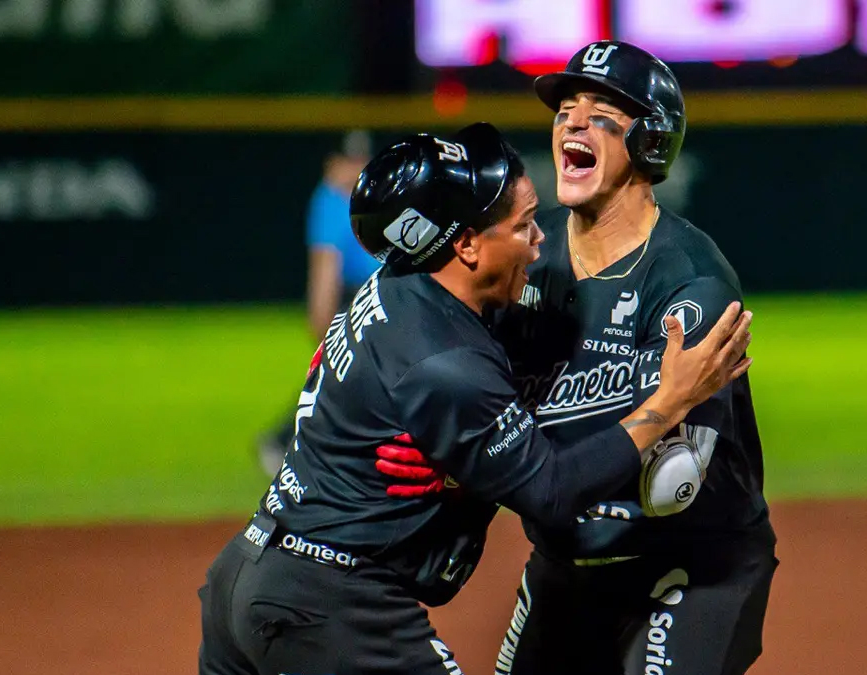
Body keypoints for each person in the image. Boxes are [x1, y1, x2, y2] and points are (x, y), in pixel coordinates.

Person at [197, 122, 757, 675]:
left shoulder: (401, 279)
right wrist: (669, 401)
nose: (540, 243)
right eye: (523, 227)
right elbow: (552, 488)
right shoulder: (447, 364)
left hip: (248, 575)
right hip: (328, 605)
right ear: (465, 245)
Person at [379, 41, 778, 674]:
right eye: (565, 108)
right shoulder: (524, 267)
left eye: (600, 110)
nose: (573, 119)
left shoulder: (689, 281)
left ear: (649, 140)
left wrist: (505, 459)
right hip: (570, 564)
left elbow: (670, 479)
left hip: (692, 563)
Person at [258, 130, 382, 477]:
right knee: (344, 377)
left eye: (362, 161)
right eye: (350, 161)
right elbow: (324, 268)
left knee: (350, 379)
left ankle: (290, 441)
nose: (357, 168)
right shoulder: (330, 201)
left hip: (373, 294)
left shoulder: (364, 196)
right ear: (332, 164)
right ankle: (283, 439)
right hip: (356, 298)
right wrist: (321, 319)